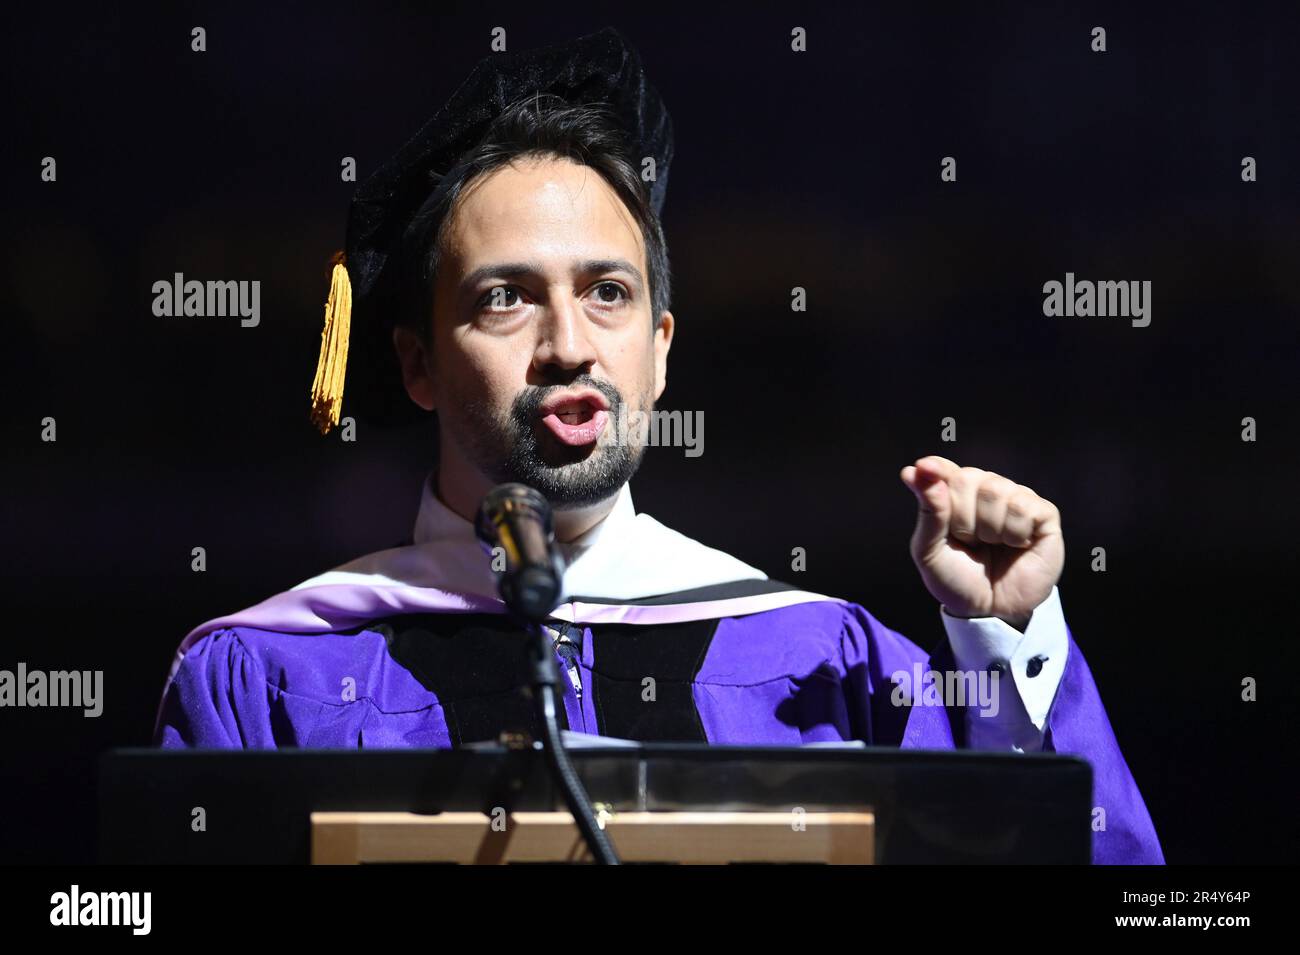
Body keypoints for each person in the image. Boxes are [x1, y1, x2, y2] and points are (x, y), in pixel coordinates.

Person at [151, 27, 1163, 865]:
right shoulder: (273, 678)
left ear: (660, 352)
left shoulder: (829, 662)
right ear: (416, 363)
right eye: (505, 297)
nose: (569, 346)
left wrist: (1011, 637)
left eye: (608, 293)